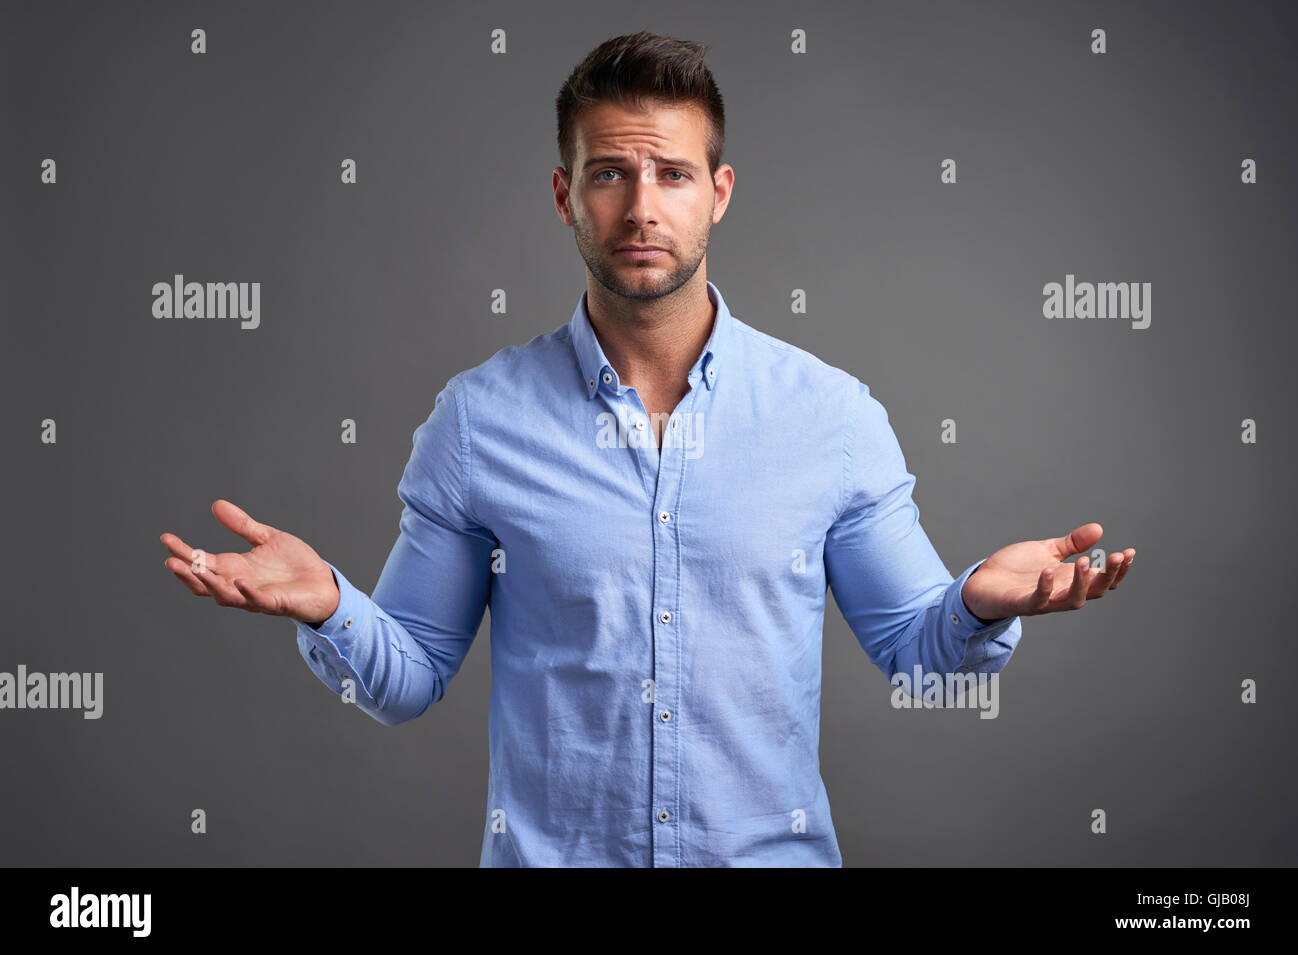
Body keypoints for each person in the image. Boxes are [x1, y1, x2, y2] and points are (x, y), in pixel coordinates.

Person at [160, 31, 1136, 866]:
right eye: (609, 174)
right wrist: (331, 605)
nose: (640, 209)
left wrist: (971, 602)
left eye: (670, 174)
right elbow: (408, 676)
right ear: (563, 193)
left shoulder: (830, 416)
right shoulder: (477, 421)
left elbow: (916, 655)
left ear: (718, 192)